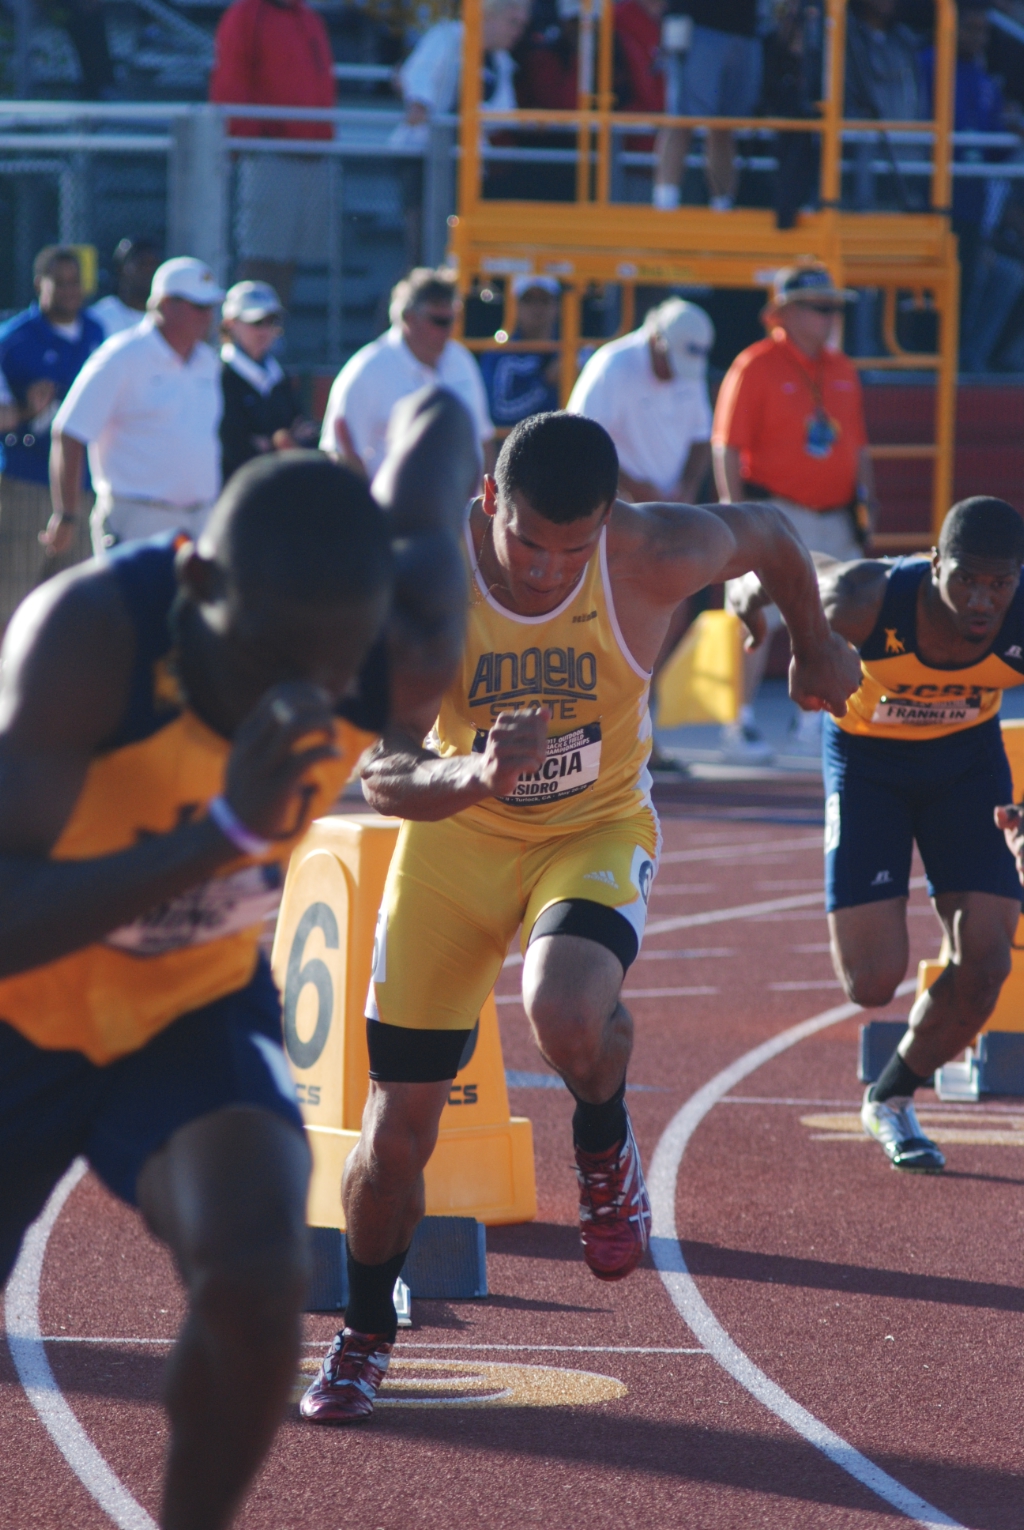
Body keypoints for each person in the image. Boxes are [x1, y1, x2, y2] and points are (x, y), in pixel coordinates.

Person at [299, 409, 861, 1425]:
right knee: (395, 1138)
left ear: (608, 522)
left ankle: (602, 1142)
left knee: (561, 1008)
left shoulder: (650, 550)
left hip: (593, 830)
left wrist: (809, 646)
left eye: (574, 548)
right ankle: (366, 1331)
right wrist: (475, 768)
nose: (551, 572)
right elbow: (382, 775)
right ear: (487, 503)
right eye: (526, 544)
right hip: (455, 844)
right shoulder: (428, 588)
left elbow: (774, 533)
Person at [0, 386, 479, 1529]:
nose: (296, 701)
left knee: (262, 1275)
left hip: (189, 1002)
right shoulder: (84, 639)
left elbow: (440, 422)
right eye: (263, 666)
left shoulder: (405, 639)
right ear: (200, 586)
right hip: (22, 1004)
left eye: (329, 669)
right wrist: (222, 835)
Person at [731, 496, 1024, 1173]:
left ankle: (889, 1099)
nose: (981, 600)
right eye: (965, 579)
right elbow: (790, 570)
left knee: (987, 964)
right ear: (933, 564)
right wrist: (748, 593)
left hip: (967, 763)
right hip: (869, 764)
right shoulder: (864, 600)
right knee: (871, 981)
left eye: (998, 583)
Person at [713, 262, 877, 763]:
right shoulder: (754, 365)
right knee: (754, 616)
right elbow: (726, 447)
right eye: (820, 307)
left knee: (839, 616)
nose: (831, 317)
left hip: (835, 515)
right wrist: (735, 513)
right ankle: (737, 724)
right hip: (772, 511)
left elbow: (859, 448)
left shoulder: (843, 369)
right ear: (784, 313)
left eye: (834, 308)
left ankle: (815, 717)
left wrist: (868, 506)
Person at [47, 257, 224, 557]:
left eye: (211, 307)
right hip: (136, 520)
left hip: (201, 520)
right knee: (137, 605)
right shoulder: (122, 356)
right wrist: (66, 514)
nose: (208, 316)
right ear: (167, 305)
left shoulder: (208, 362)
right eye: (199, 306)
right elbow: (70, 431)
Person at [0, 245, 103, 631]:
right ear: (38, 284)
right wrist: (28, 409)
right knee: (14, 599)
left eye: (75, 282)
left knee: (79, 606)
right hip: (28, 485)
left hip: (84, 486)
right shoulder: (13, 339)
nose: (69, 291)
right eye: (58, 283)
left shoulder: (97, 332)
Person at [209, 0, 336, 307]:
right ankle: (241, 334)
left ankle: (271, 337)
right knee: (260, 256)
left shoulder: (308, 17)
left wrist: (320, 140)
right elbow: (231, 80)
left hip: (309, 155)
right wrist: (247, 141)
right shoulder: (246, 14)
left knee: (288, 257)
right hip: (267, 155)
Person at [319, 267, 495, 479]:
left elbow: (484, 438)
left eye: (454, 319)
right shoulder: (366, 371)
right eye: (440, 321)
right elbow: (340, 456)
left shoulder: (462, 360)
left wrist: (491, 506)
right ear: (409, 318)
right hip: (390, 510)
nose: (450, 329)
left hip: (461, 509)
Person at [567, 297, 714, 505]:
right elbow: (580, 441)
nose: (675, 373)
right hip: (611, 507)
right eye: (671, 362)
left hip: (666, 511)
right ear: (656, 340)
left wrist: (688, 487)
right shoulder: (611, 366)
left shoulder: (690, 373)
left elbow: (701, 435)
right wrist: (632, 488)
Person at [653, 0, 763, 211]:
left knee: (724, 127)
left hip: (744, 28)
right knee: (681, 120)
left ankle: (722, 207)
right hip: (698, 25)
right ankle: (664, 206)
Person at [392, 0, 530, 144]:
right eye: (513, 22)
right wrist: (419, 101)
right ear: (488, 15)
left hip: (469, 150)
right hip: (422, 148)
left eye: (522, 26)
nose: (518, 32)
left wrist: (475, 113)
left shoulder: (501, 62)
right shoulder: (447, 36)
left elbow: (503, 113)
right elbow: (419, 72)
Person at [219, 281, 316, 484]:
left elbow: (307, 437)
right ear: (230, 324)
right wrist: (280, 442)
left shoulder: (279, 378)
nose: (264, 330)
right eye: (255, 322)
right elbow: (234, 449)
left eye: (271, 321)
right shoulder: (218, 377)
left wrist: (268, 443)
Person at [478, 275, 561, 428]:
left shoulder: (575, 348)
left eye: (544, 300)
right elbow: (496, 414)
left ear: (556, 306)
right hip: (516, 448)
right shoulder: (499, 353)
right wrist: (545, 383)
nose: (537, 309)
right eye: (528, 300)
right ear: (514, 305)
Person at [88, 237, 161, 339]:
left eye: (154, 265)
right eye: (142, 264)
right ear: (121, 269)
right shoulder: (98, 317)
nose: (149, 271)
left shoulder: (165, 318)